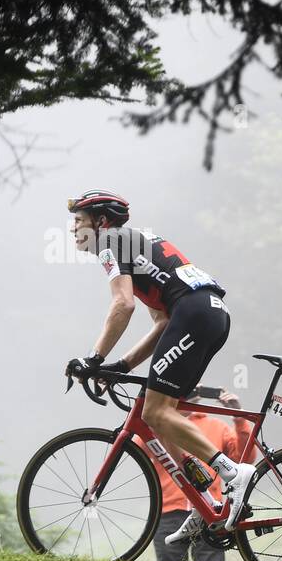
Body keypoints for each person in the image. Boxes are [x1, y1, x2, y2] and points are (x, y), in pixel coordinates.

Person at [63, 190, 256, 543]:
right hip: (209, 314)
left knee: (156, 411)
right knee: (163, 414)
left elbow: (122, 306)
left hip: (195, 313)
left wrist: (93, 359)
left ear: (100, 222)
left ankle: (232, 473)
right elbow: (164, 324)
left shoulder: (110, 243)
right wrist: (122, 365)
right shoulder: (134, 242)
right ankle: (204, 502)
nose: (73, 229)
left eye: (79, 221)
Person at [145, 389, 257, 561]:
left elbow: (245, 458)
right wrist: (161, 418)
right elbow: (137, 449)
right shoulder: (159, 425)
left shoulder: (216, 426)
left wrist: (239, 417)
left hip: (209, 512)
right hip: (169, 512)